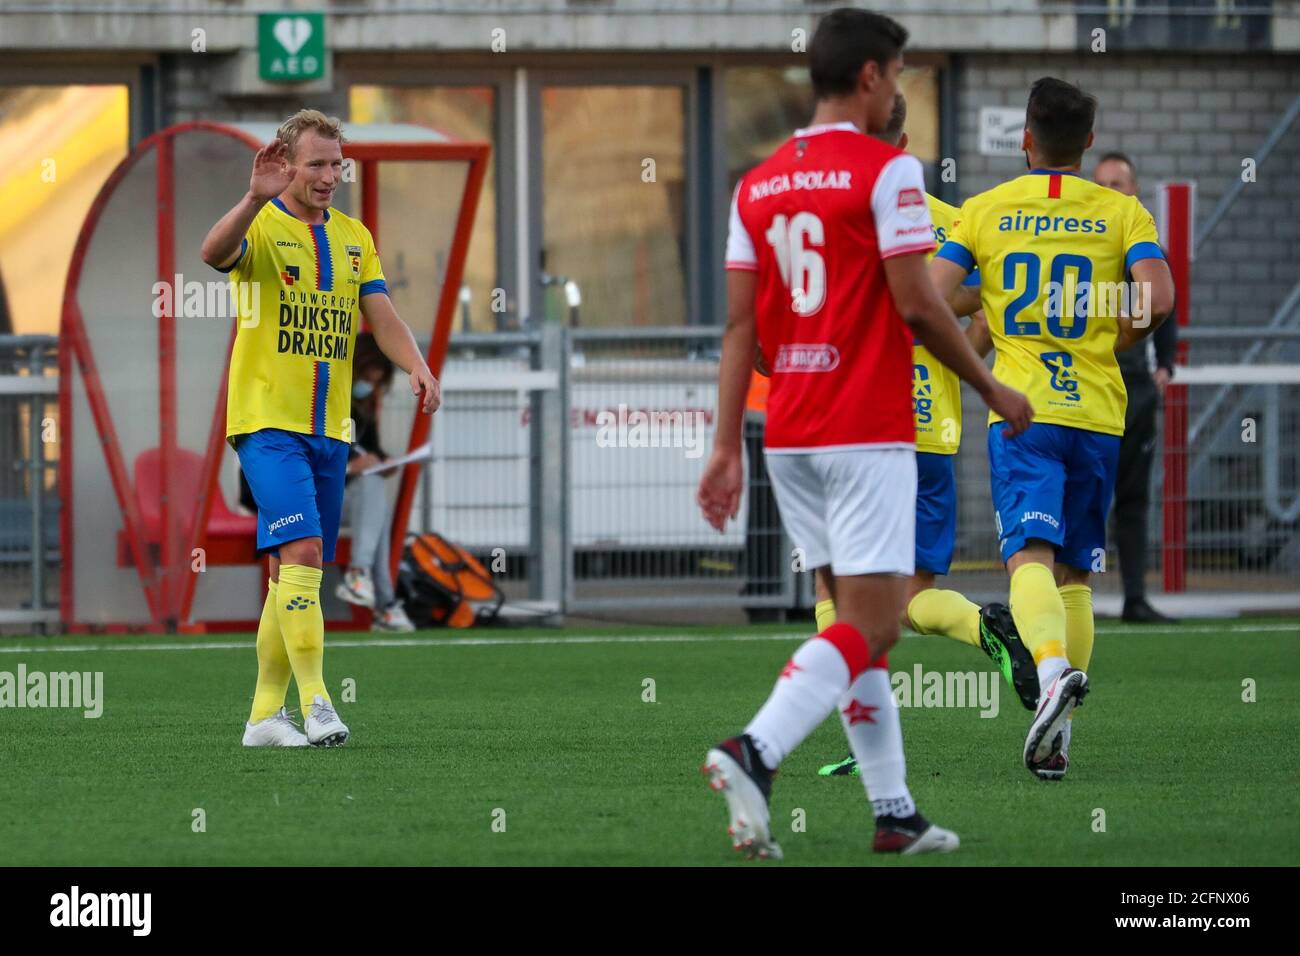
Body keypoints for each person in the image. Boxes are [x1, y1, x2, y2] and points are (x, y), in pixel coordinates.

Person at [696, 7, 1033, 859]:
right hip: (867, 429)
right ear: (873, 77)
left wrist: (726, 443)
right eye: (901, 74)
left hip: (791, 432)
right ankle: (754, 751)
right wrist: (992, 384)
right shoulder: (889, 173)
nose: (901, 92)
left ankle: (895, 812)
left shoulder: (756, 183)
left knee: (857, 625)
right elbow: (920, 305)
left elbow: (744, 332)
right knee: (877, 623)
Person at [931, 78, 1175, 779]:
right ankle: (1059, 735)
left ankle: (1050, 674)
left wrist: (995, 304)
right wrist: (1118, 336)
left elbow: (932, 296)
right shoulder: (1121, 210)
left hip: (1022, 410)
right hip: (1098, 414)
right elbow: (1159, 296)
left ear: (1025, 140)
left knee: (1026, 560)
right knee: (1075, 573)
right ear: (1088, 142)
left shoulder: (986, 210)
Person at [814, 93, 1039, 780]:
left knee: (834, 590)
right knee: (908, 598)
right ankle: (983, 627)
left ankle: (863, 728)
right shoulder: (952, 222)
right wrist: (971, 347)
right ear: (906, 138)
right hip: (932, 428)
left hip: (855, 427)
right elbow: (981, 297)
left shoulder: (830, 217)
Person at [201, 109, 440, 748]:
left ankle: (261, 719)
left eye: (338, 164)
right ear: (286, 165)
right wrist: (252, 197)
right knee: (305, 555)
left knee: (291, 575)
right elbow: (212, 253)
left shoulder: (355, 237)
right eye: (317, 164)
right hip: (266, 425)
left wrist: (415, 365)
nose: (331, 175)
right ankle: (318, 704)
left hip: (331, 429)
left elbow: (381, 316)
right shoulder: (263, 224)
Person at [1093, 151, 1179, 624]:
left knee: (1133, 497)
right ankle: (1067, 597)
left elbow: (1167, 306)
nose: (1110, 191)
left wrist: (1165, 365)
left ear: (1135, 191)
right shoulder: (1082, 244)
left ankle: (1134, 596)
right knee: (1080, 496)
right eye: (1102, 183)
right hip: (1086, 389)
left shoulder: (1145, 248)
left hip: (1135, 392)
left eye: (1118, 184)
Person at [334, 332, 416, 632]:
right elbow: (312, 456)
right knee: (373, 495)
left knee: (375, 497)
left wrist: (385, 463)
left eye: (377, 381)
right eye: (367, 376)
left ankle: (374, 592)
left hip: (351, 499)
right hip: (316, 498)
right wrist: (350, 467)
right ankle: (382, 601)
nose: (370, 386)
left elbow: (371, 451)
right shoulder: (327, 400)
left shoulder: (365, 409)